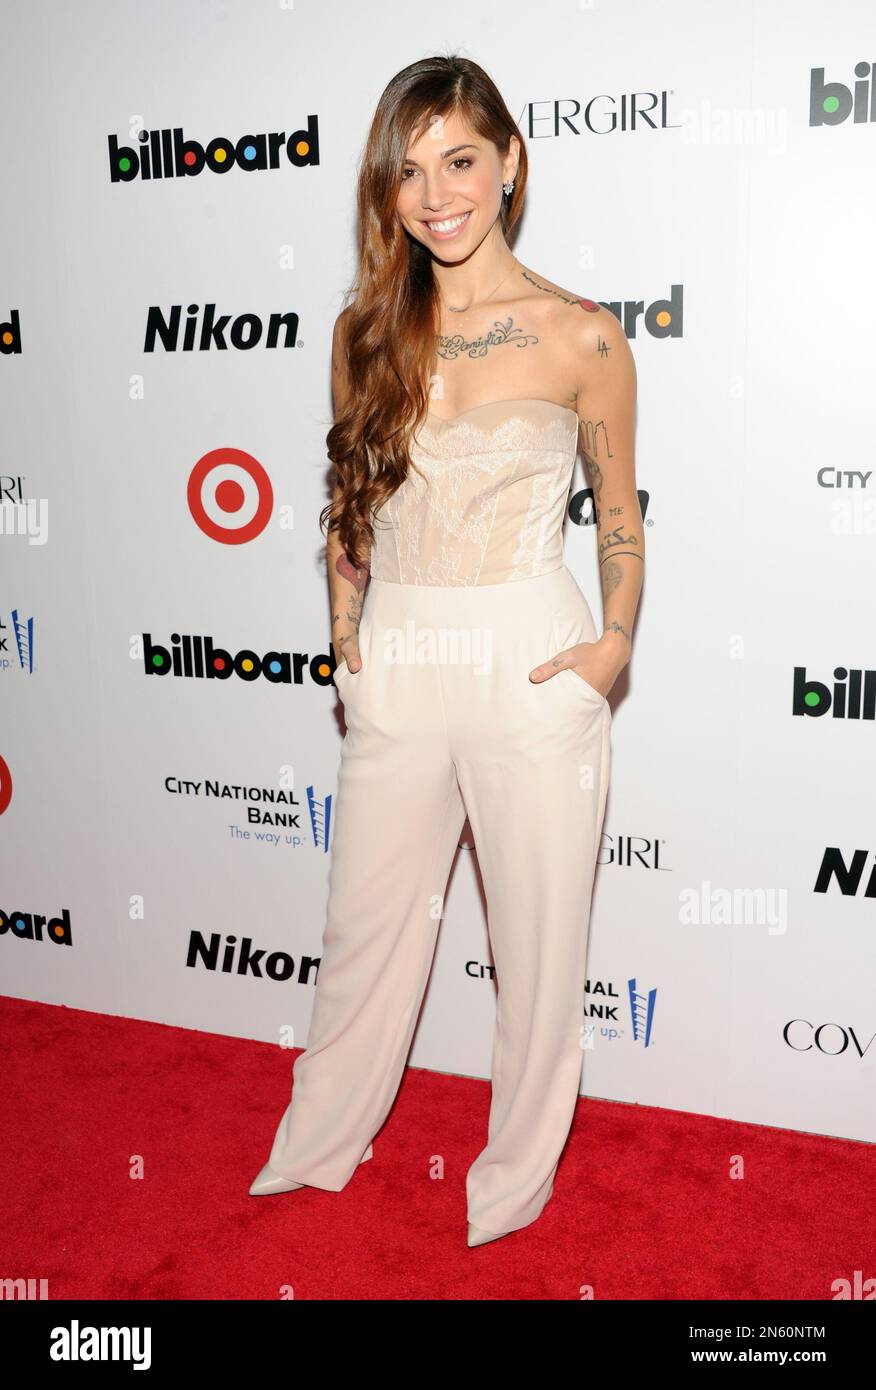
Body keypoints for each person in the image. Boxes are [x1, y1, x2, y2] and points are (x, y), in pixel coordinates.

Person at [250, 53, 643, 1248]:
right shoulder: (367, 330)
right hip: (403, 656)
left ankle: (512, 1180)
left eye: (460, 159)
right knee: (364, 929)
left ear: (511, 163)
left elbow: (620, 517)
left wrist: (611, 645)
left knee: (536, 947)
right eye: (408, 169)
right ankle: (318, 1143)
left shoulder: (584, 335)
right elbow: (349, 508)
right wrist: (342, 639)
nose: (436, 192)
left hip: (534, 653)